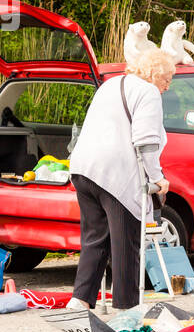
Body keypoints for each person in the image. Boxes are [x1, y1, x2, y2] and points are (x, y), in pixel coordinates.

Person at [67, 49, 175, 311]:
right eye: (167, 79)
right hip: (116, 175)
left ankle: (79, 301)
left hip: (83, 169)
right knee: (126, 243)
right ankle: (126, 310)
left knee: (95, 237)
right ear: (153, 74)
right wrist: (158, 178)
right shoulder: (148, 92)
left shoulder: (110, 84)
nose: (167, 86)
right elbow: (146, 142)